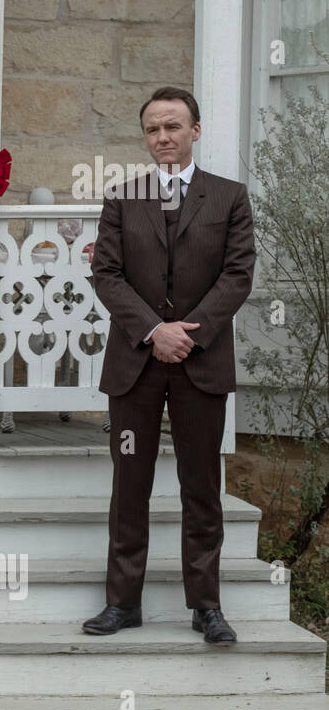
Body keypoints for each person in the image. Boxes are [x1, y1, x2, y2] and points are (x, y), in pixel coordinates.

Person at [83, 87, 255, 644]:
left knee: (200, 485)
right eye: (154, 129)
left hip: (201, 363)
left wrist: (186, 335)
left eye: (174, 127)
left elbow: (237, 276)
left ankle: (206, 606)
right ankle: (122, 603)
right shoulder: (121, 199)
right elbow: (107, 275)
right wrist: (154, 331)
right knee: (129, 483)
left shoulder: (230, 198)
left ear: (195, 131)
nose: (163, 137)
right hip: (136, 363)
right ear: (145, 137)